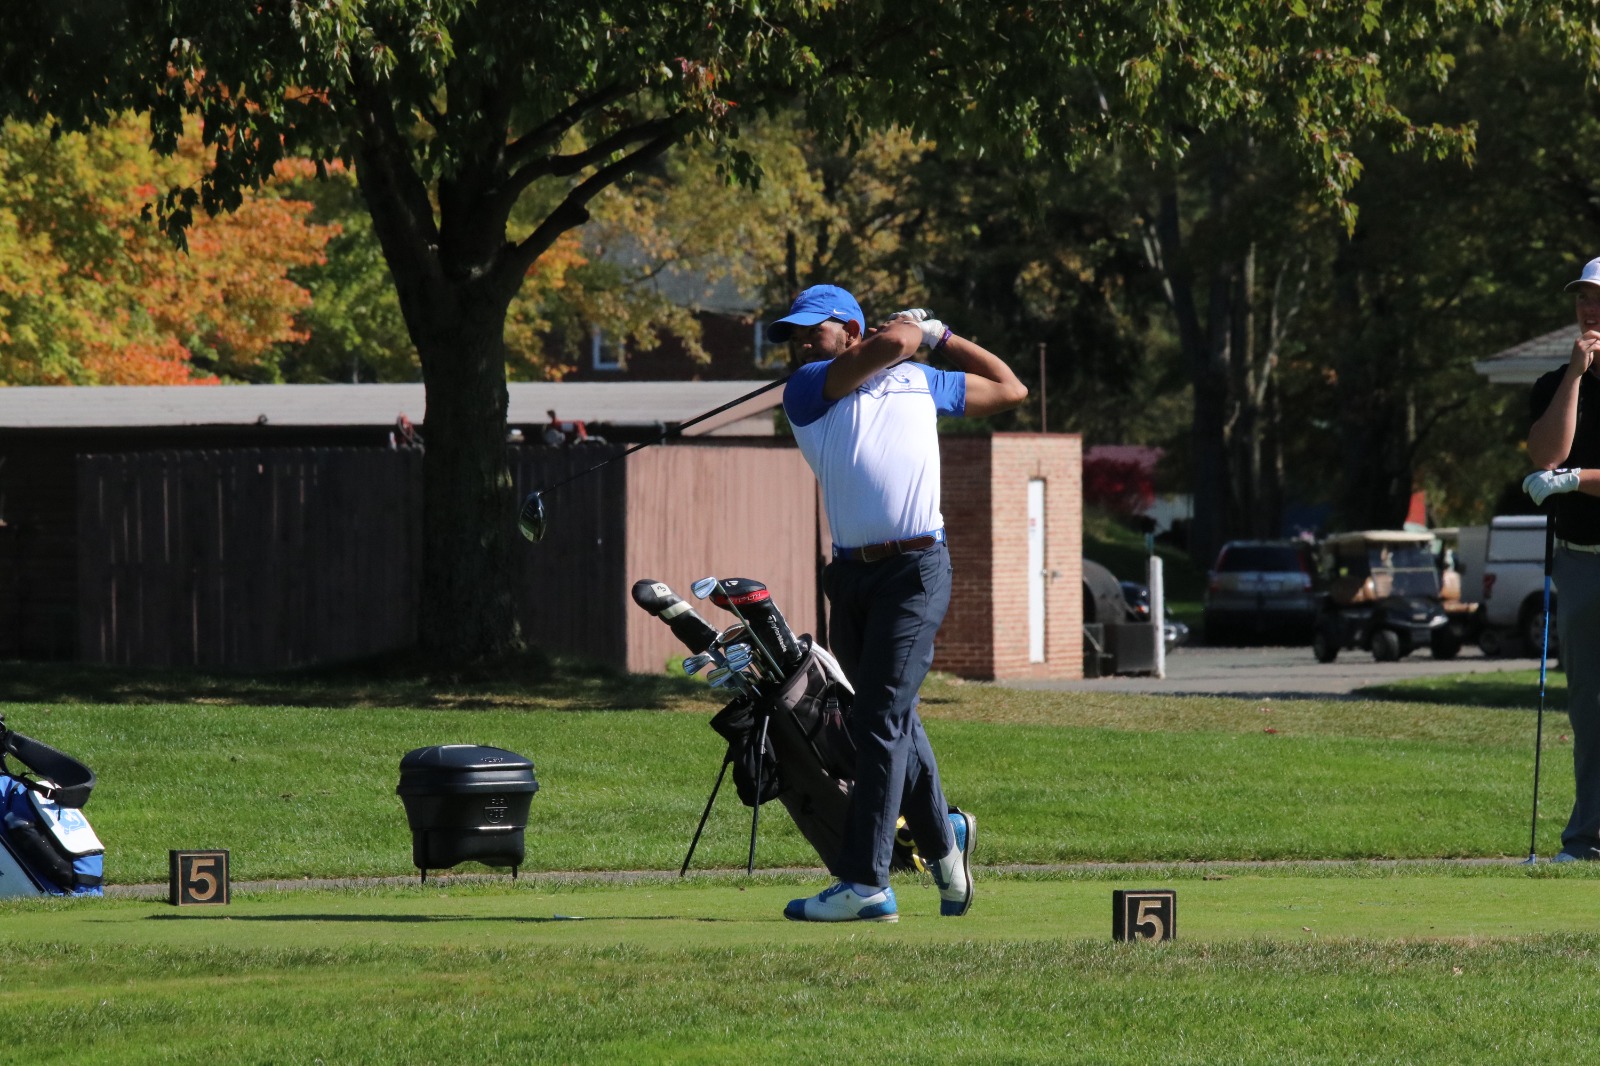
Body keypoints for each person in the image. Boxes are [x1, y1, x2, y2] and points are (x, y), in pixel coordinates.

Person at [767, 283, 1028, 921]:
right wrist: (915, 330)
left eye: (813, 329)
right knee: (885, 720)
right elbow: (895, 341)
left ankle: (865, 883)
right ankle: (946, 840)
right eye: (793, 334)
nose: (800, 342)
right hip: (851, 576)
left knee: (881, 715)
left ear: (849, 328)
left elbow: (1011, 388)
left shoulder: (918, 382)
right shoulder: (808, 388)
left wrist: (943, 340)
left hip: (915, 568)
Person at [1525, 254, 1600, 862]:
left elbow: (1562, 476)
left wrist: (1577, 481)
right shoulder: (1554, 383)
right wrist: (1575, 377)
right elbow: (1547, 455)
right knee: (1588, 707)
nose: (1588, 308)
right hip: (1578, 562)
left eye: (1598, 298)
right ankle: (1585, 839)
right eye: (1583, 298)